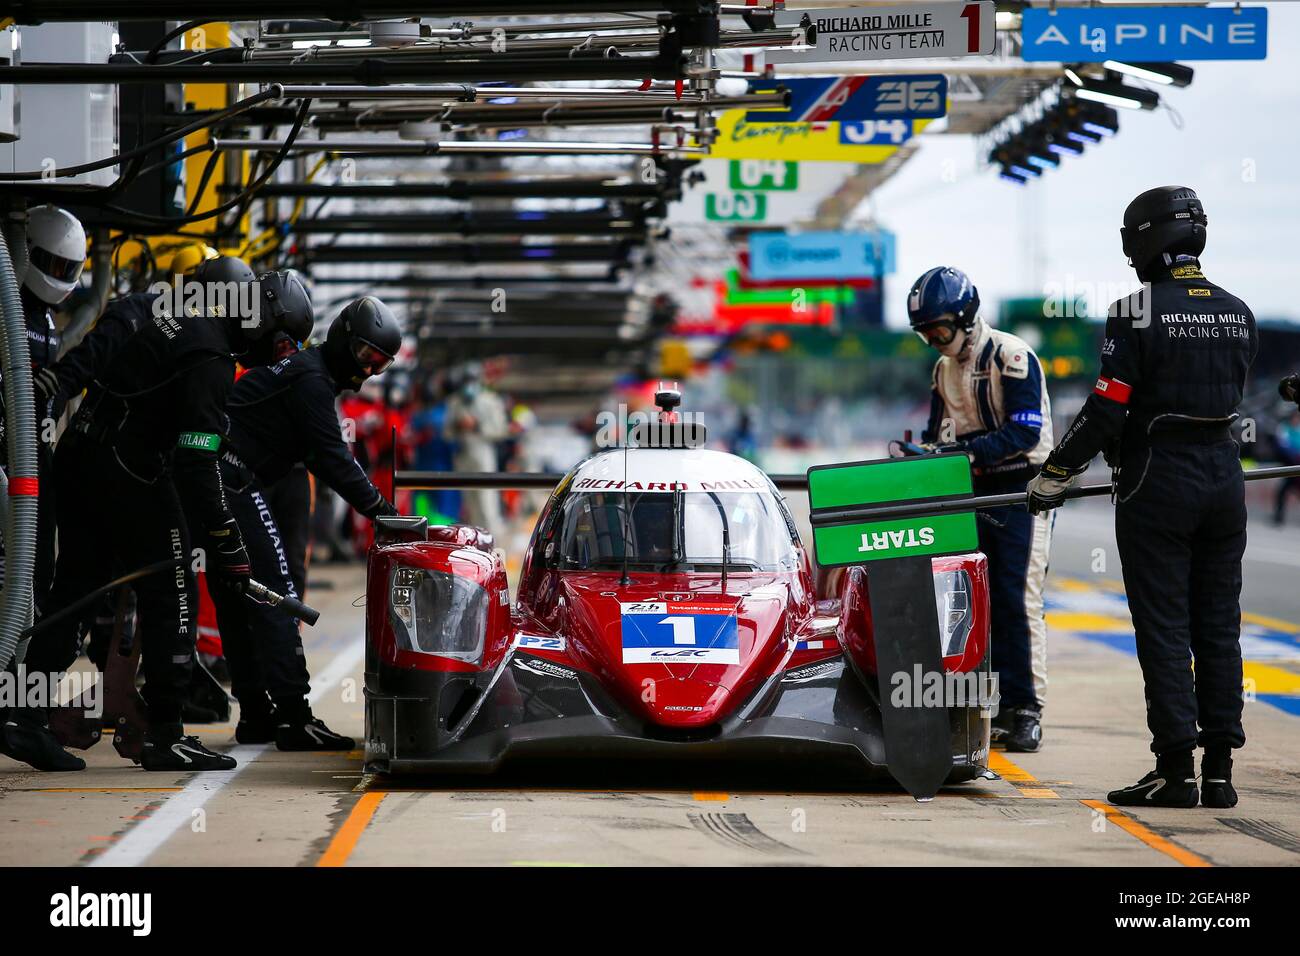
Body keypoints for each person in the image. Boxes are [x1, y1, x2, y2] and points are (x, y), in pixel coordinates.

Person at [1027, 186, 1257, 809]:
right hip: (1225, 482)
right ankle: (1220, 774)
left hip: (1158, 482)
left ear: (1147, 239)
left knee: (1164, 629)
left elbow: (1108, 405)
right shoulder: (1238, 312)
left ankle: (1175, 772)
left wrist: (1056, 472)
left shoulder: (1134, 311)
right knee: (1218, 628)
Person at [3, 246, 218, 771]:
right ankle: (167, 730)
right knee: (167, 585)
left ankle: (24, 718)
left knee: (73, 593)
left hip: (86, 461)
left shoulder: (160, 320)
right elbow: (101, 350)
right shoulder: (171, 324)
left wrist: (66, 381)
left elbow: (102, 352)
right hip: (118, 470)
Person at [215, 294, 400, 749]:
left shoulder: (309, 376)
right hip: (233, 478)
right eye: (364, 355)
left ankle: (257, 714)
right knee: (278, 595)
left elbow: (319, 456)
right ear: (343, 338)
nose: (368, 369)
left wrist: (378, 510)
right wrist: (386, 514)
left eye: (378, 363)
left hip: (219, 477)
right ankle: (295, 720)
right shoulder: (312, 380)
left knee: (242, 598)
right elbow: (336, 460)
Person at [909, 265, 1053, 753]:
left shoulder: (1012, 355)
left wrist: (965, 454)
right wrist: (923, 457)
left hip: (1021, 491)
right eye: (926, 333)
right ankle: (981, 706)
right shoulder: (942, 370)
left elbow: (1026, 433)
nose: (934, 340)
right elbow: (934, 437)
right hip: (970, 493)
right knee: (968, 603)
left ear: (965, 317)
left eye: (939, 329)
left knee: (1016, 598)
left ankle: (1026, 708)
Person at [446, 361, 509, 542]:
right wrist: (458, 426)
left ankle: (494, 543)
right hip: (462, 454)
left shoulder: (490, 400)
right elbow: (447, 433)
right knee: (470, 504)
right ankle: (474, 544)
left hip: (483, 454)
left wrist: (478, 425)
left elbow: (501, 430)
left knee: (486, 502)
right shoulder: (455, 402)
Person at [1272, 409, 1300, 526]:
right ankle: (1278, 516)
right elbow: (1282, 445)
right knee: (1283, 491)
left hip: (1298, 467)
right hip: (1289, 466)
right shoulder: (1284, 428)